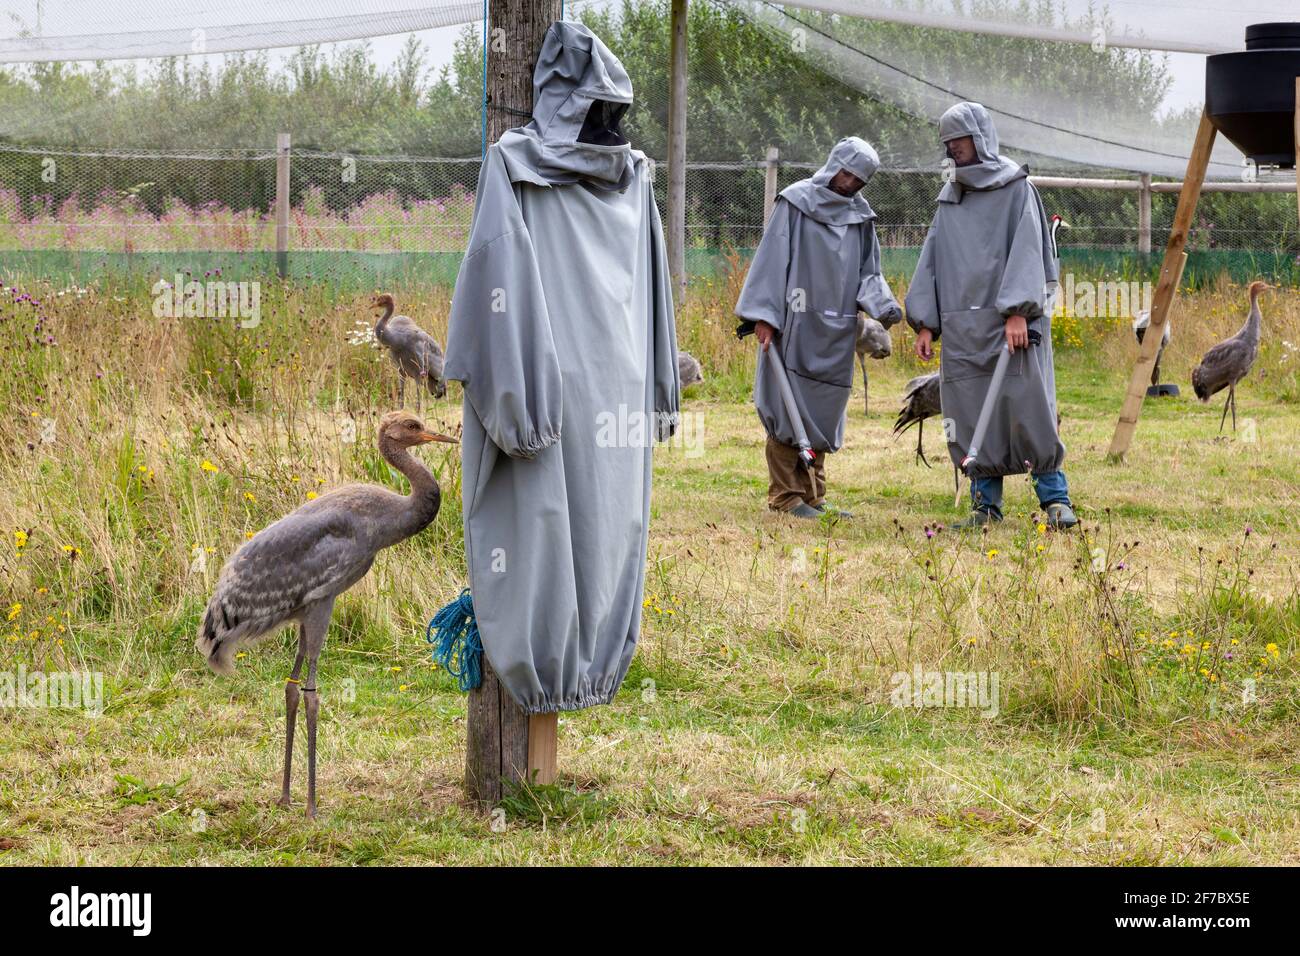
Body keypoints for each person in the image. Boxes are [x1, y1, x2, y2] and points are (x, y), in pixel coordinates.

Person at [905, 102, 1078, 530]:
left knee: (1029, 406)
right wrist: (926, 321)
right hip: (964, 330)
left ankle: (1055, 500)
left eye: (958, 140)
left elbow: (1029, 252)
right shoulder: (950, 199)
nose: (952, 149)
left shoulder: (1017, 189)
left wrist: (1018, 311)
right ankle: (985, 507)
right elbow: (933, 260)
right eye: (947, 142)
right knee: (969, 411)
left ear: (979, 138)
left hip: (1011, 328)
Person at [735, 137, 901, 519]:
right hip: (795, 324)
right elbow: (773, 258)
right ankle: (785, 495)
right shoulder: (795, 203)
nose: (851, 183)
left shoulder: (861, 219)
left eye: (860, 179)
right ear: (834, 164)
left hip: (838, 330)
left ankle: (813, 495)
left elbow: (868, 273)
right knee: (786, 404)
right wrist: (764, 315)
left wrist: (884, 307)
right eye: (847, 173)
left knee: (823, 410)